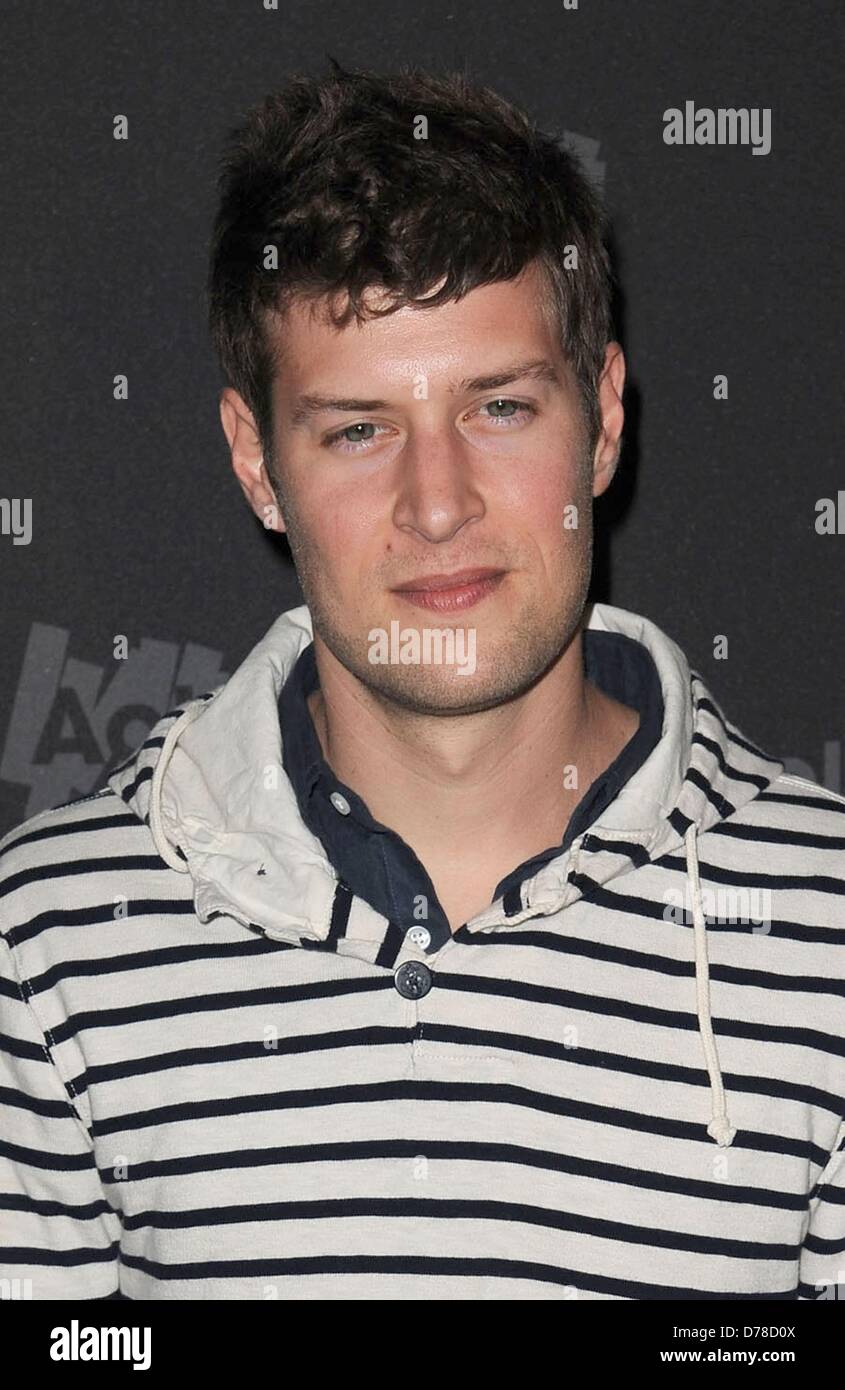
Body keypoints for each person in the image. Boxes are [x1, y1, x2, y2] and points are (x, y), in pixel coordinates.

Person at [1, 61, 843, 1302]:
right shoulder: (51, 938)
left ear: (602, 418)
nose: (436, 504)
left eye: (497, 408)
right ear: (253, 461)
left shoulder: (825, 927)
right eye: (357, 428)